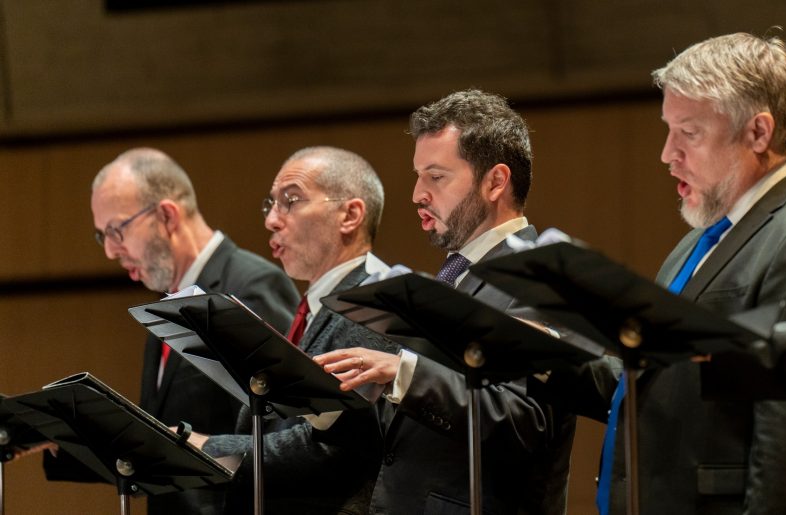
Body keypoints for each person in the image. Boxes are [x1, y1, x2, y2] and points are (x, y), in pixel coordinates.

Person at [559, 33, 786, 514]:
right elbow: (656, 379)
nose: (666, 153)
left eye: (688, 133)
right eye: (668, 130)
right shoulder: (696, 243)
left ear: (759, 133)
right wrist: (546, 353)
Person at [313, 89, 575, 514]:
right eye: (418, 176)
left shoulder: (540, 276)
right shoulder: (455, 275)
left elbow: (527, 421)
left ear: (495, 182)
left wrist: (404, 373)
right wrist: (325, 401)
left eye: (435, 177)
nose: (417, 194)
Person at [45, 148, 300, 515]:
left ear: (166, 215)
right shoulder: (169, 303)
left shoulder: (250, 287)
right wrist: (66, 434)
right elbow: (160, 446)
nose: (112, 252)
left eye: (117, 230)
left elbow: (280, 440)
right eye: (103, 236)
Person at [189, 146, 399, 514]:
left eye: (291, 201)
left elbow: (337, 447)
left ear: (349, 215)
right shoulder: (315, 308)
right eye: (270, 204)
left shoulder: (373, 302)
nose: (272, 219)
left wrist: (209, 447)